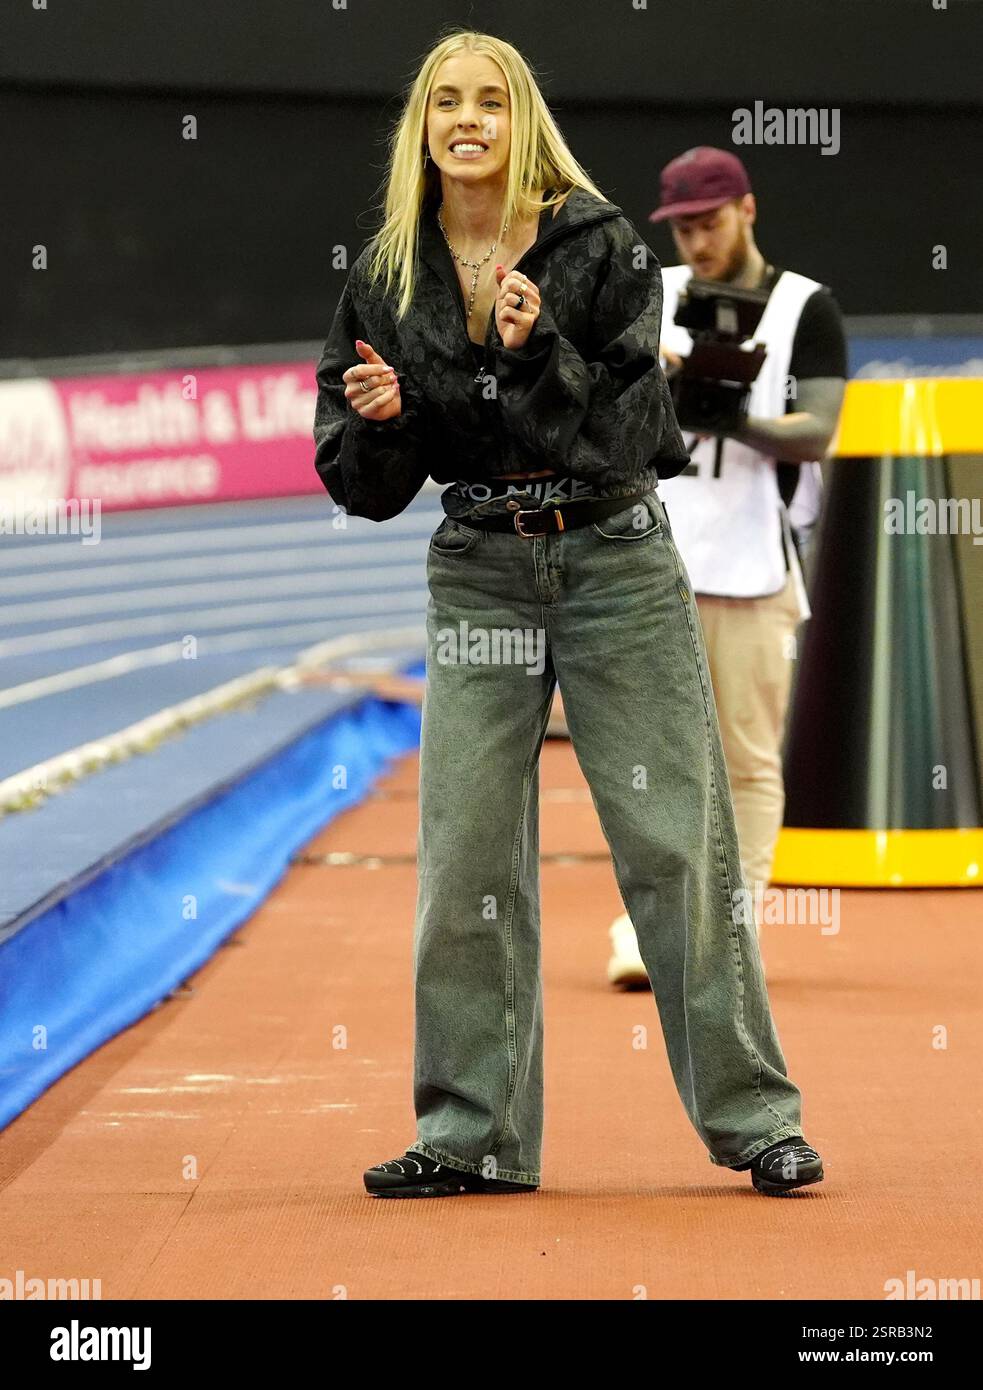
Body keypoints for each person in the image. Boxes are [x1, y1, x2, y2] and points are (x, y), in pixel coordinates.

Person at [313, 31, 824, 1198]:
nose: (466, 118)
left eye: (489, 99)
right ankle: (472, 1136)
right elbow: (360, 477)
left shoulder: (595, 243)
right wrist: (384, 419)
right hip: (480, 571)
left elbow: (630, 434)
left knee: (674, 848)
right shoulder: (387, 274)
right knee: (463, 859)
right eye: (445, 100)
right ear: (422, 126)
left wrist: (534, 345)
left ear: (520, 117)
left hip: (610, 560)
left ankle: (753, 1122)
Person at [607, 146, 847, 987]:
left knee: (745, 759)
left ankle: (733, 933)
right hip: (647, 559)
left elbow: (818, 432)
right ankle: (646, 931)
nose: (695, 244)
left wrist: (730, 414)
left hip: (752, 561)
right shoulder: (655, 297)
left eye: (708, 223)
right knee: (646, 757)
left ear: (746, 209)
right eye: (681, 228)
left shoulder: (802, 307)